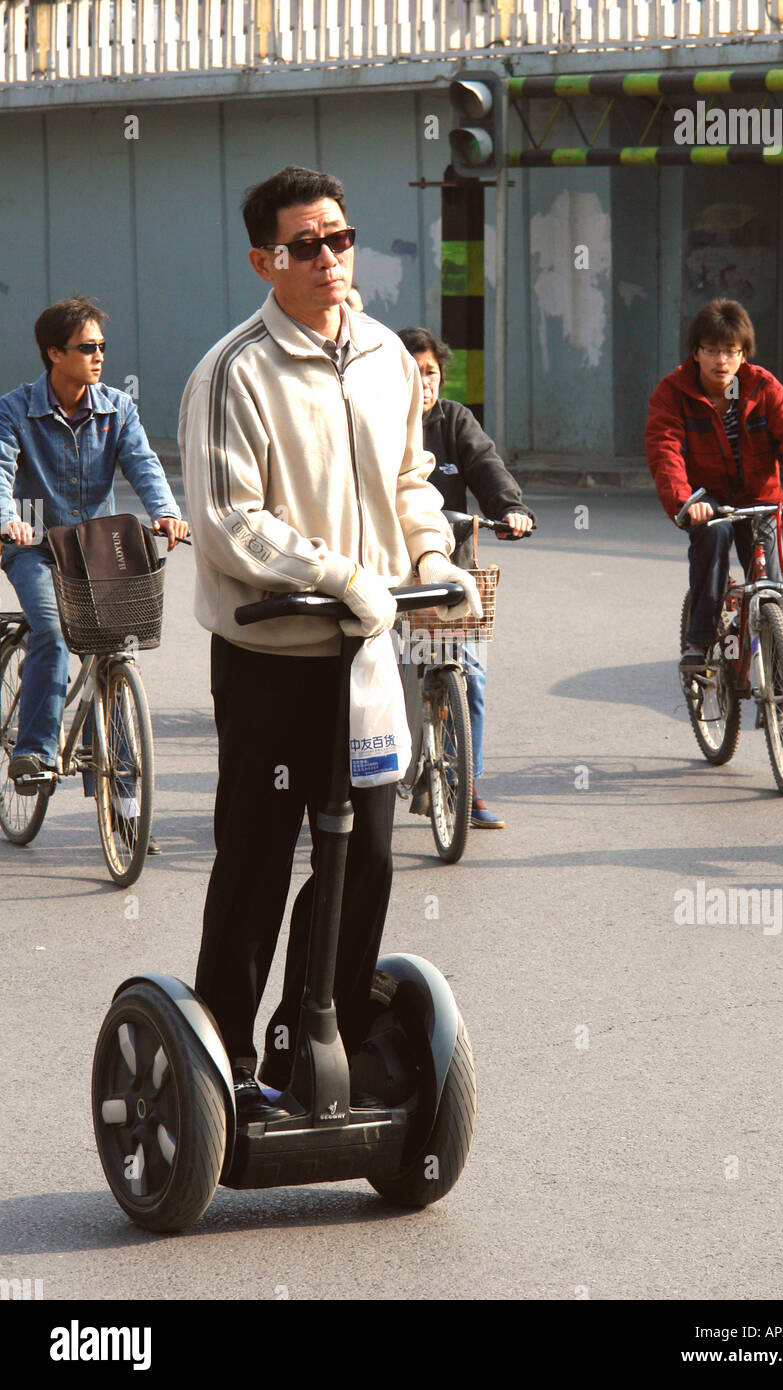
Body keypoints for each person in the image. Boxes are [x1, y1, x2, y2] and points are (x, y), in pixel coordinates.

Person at [178, 165, 481, 1118]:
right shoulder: (234, 372)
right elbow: (229, 522)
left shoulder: (391, 357)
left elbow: (411, 479)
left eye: (340, 239)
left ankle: (310, 1045)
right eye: (305, 245)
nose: (328, 259)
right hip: (273, 659)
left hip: (366, 661)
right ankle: (218, 1066)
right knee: (258, 864)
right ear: (265, 258)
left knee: (368, 857)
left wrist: (436, 555)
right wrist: (341, 575)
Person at [0, 297, 187, 848]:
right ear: (54, 353)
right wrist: (7, 520)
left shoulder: (117, 408)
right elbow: (0, 466)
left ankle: (127, 810)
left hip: (93, 549)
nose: (99, 356)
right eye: (87, 348)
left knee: (114, 656)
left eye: (103, 347)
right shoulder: (14, 410)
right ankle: (34, 749)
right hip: (34, 547)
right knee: (54, 632)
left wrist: (166, 512)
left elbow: (144, 463)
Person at [644, 298, 783, 670]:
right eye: (712, 350)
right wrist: (685, 500)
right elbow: (664, 451)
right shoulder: (673, 393)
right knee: (712, 538)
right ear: (695, 353)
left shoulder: (763, 387)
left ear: (743, 355)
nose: (721, 361)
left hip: (760, 498)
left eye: (731, 352)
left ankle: (777, 685)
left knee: (775, 593)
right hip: (707, 500)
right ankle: (698, 640)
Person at [396, 327, 534, 829]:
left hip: (452, 571)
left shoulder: (454, 420)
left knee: (469, 677)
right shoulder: (378, 423)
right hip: (390, 572)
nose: (423, 382)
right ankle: (357, 781)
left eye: (430, 372)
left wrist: (511, 509)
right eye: (412, 373)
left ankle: (464, 782)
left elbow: (486, 466)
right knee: (379, 674)